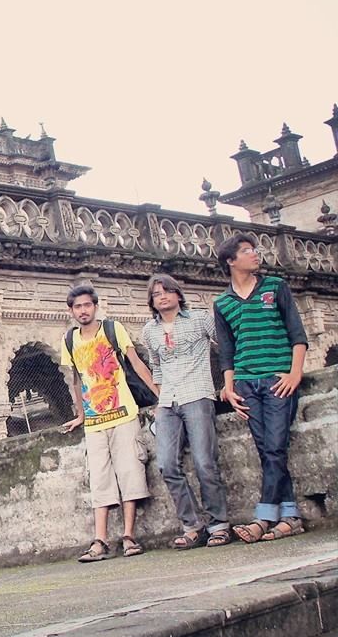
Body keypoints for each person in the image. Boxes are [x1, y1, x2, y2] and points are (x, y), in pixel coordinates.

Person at [214, 233, 308, 542]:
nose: (255, 254)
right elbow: (227, 351)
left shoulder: (275, 287)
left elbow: (297, 334)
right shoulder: (223, 303)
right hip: (245, 383)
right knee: (266, 448)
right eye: (247, 251)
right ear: (231, 261)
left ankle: (264, 516)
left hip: (277, 379)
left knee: (275, 445)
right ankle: (290, 516)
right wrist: (229, 387)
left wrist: (295, 374)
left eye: (254, 249)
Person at [60, 285, 159, 562]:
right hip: (94, 421)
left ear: (95, 306)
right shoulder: (69, 340)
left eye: (87, 305)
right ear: (71, 311)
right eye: (78, 307)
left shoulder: (113, 330)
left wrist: (159, 395)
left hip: (123, 413)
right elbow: (77, 380)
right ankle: (100, 540)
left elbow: (136, 364)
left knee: (130, 473)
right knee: (100, 479)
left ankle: (128, 536)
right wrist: (81, 415)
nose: (83, 311)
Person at [142, 274, 230, 549]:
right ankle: (193, 526)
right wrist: (160, 400)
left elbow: (226, 346)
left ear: (178, 294)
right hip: (168, 401)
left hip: (197, 394)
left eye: (167, 291)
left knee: (205, 462)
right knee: (167, 464)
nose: (162, 297)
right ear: (152, 301)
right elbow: (156, 367)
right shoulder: (149, 331)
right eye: (157, 294)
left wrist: (230, 382)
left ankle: (219, 525)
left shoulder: (200, 319)